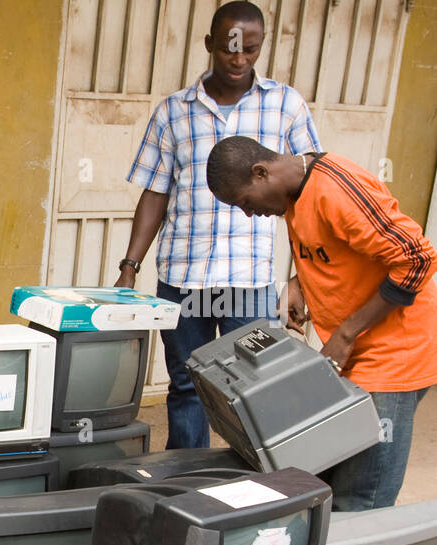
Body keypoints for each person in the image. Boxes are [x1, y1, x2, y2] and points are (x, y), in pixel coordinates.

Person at [115, 0, 321, 449]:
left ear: (261, 46)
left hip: (250, 282)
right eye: (230, 48)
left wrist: (302, 279)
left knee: (255, 388)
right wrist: (130, 264)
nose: (239, 59)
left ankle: (255, 486)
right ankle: (189, 486)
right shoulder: (173, 111)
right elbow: (155, 191)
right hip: (183, 279)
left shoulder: (286, 106)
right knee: (187, 386)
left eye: (250, 49)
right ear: (210, 43)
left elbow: (309, 189)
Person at [206, 136, 437, 511]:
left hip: (393, 356)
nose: (249, 214)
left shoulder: (335, 190)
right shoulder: (293, 196)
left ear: (261, 172)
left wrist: (346, 334)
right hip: (353, 356)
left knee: (363, 495)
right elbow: (337, 248)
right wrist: (301, 283)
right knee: (329, 475)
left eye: (245, 202)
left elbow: (417, 260)